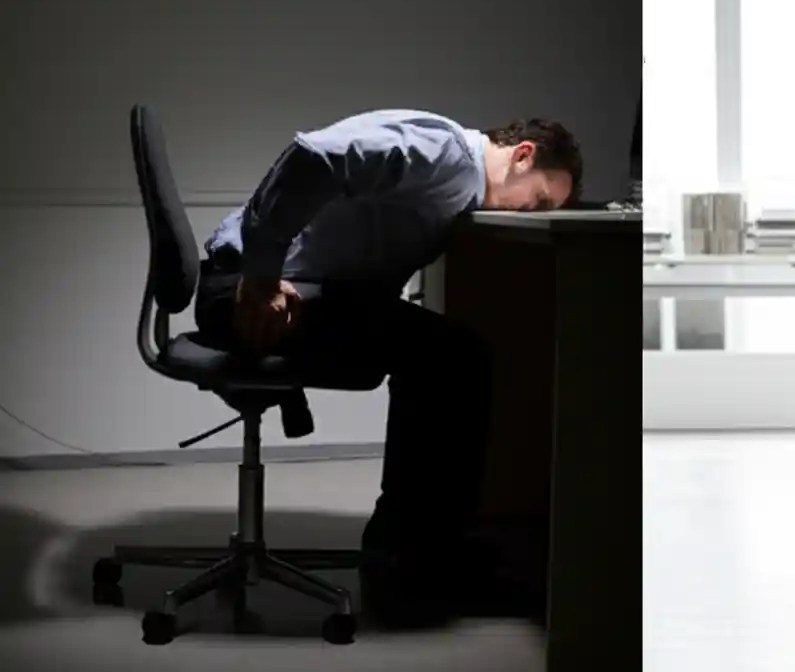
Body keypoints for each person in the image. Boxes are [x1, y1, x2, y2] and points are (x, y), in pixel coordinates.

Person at [194, 109, 584, 628]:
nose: (532, 213)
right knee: (453, 359)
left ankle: (408, 550)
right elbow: (314, 157)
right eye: (538, 200)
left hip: (276, 291)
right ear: (522, 156)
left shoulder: (457, 181)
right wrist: (261, 278)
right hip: (248, 296)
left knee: (445, 354)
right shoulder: (445, 154)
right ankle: (413, 559)